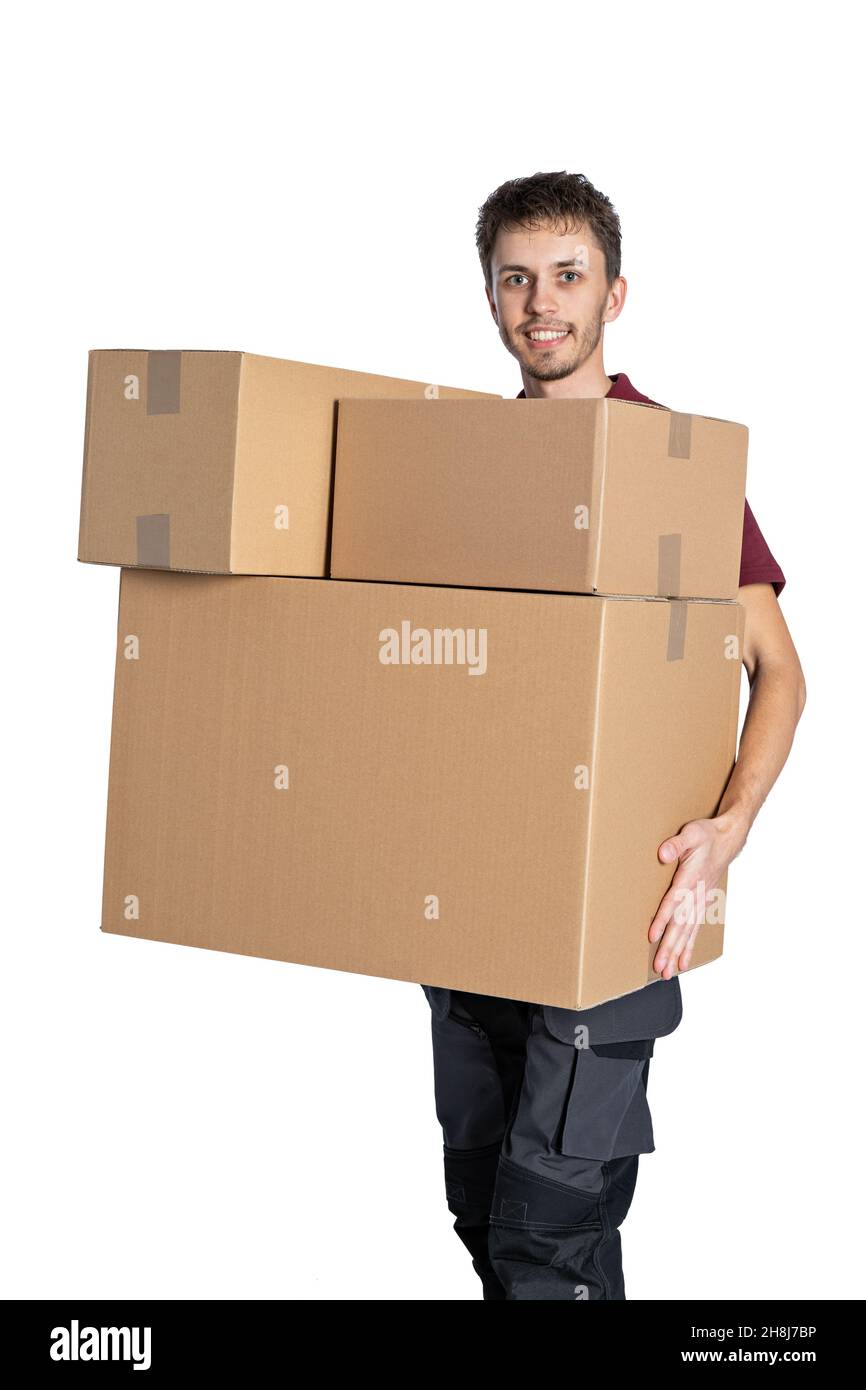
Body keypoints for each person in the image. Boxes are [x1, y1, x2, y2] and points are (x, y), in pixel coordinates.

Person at [421, 170, 807, 1301]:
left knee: (551, 1227)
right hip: (468, 906)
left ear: (613, 295)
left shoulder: (670, 463)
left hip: (613, 904)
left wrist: (728, 829)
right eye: (515, 278)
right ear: (490, 297)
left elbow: (777, 669)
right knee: (482, 1211)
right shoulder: (454, 464)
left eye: (566, 276)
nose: (541, 302)